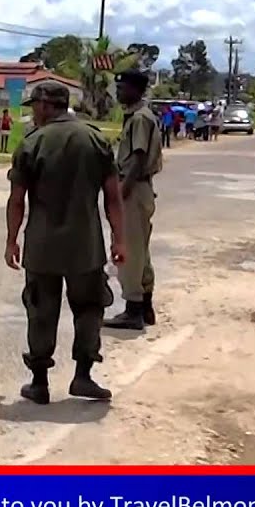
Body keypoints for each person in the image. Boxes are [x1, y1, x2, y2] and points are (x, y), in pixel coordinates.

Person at [5, 81, 124, 405]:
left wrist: (11, 240)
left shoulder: (32, 143)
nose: (33, 112)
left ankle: (39, 383)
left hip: (42, 245)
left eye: (34, 106)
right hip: (86, 245)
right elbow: (113, 197)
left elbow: (17, 200)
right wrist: (120, 239)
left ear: (45, 105)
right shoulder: (95, 139)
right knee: (89, 308)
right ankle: (83, 376)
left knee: (41, 311)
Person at [104, 71, 163, 331]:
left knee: (128, 249)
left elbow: (138, 158)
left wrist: (121, 192)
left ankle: (133, 309)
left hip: (133, 187)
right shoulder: (141, 116)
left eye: (123, 88)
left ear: (136, 90)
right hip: (141, 188)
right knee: (140, 250)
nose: (119, 93)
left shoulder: (139, 118)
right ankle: (145, 304)